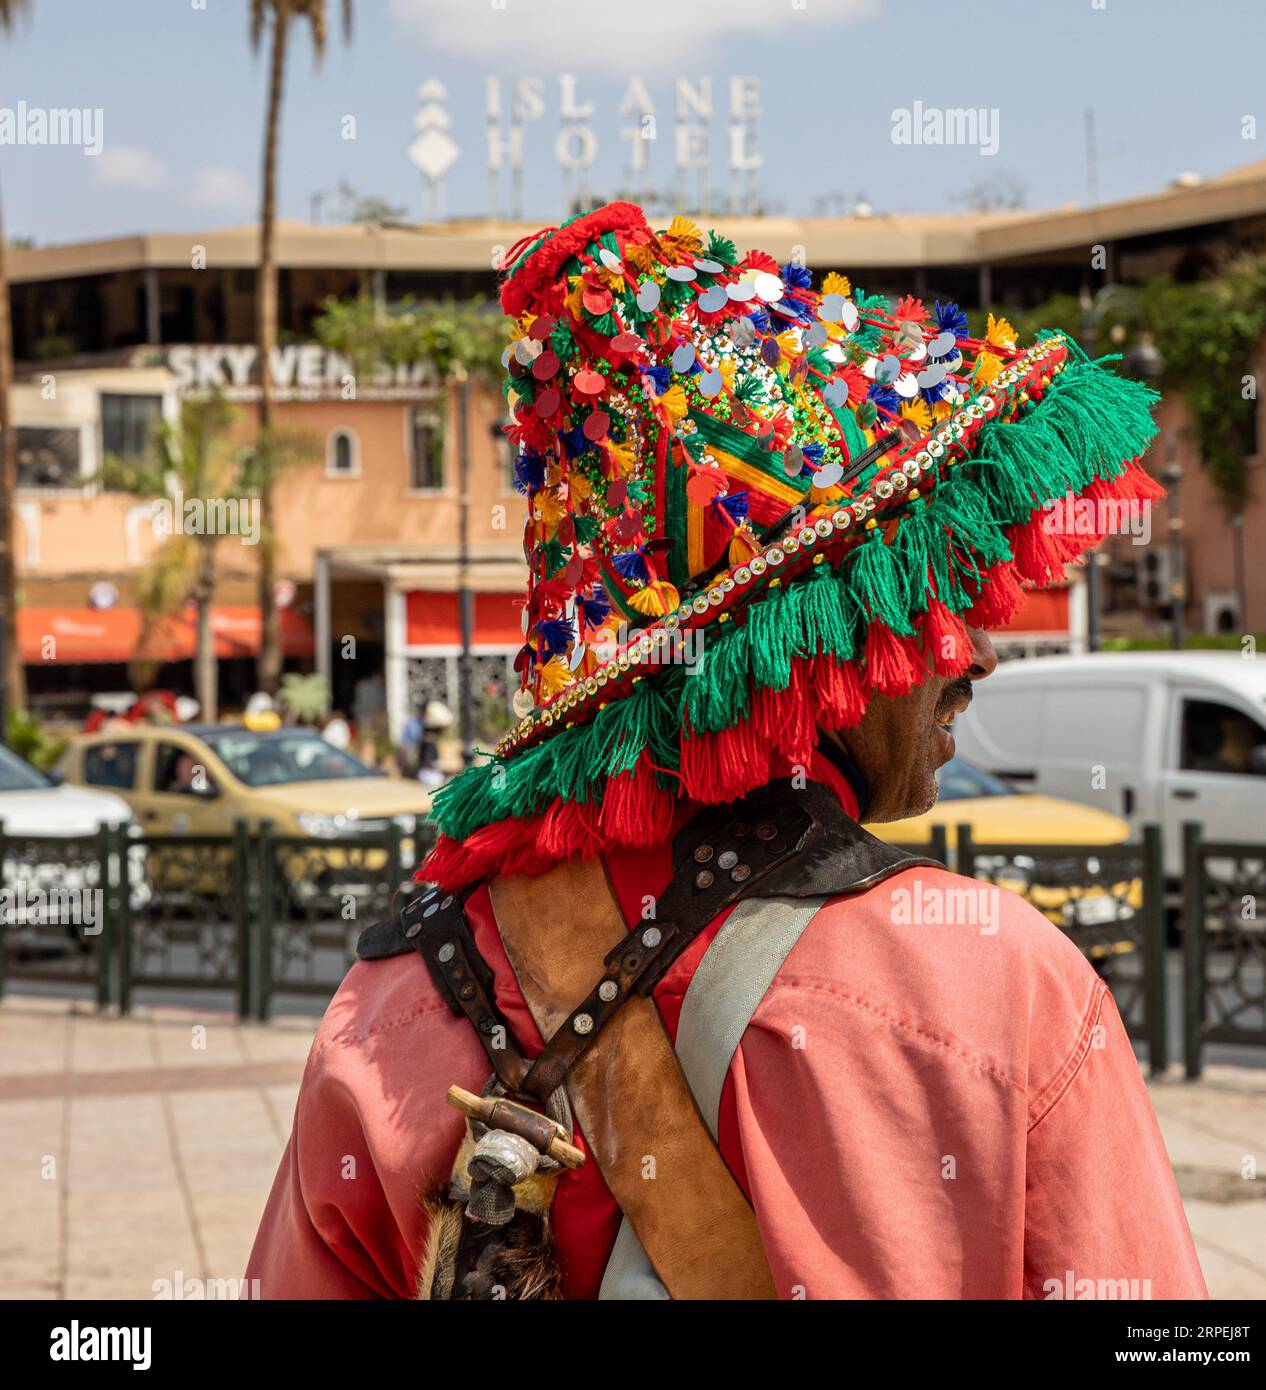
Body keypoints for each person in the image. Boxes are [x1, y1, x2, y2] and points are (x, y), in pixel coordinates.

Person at [247, 203, 1204, 1300]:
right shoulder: (996, 984)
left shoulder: (388, 1007)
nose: (972, 653)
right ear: (816, 636)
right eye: (929, 595)